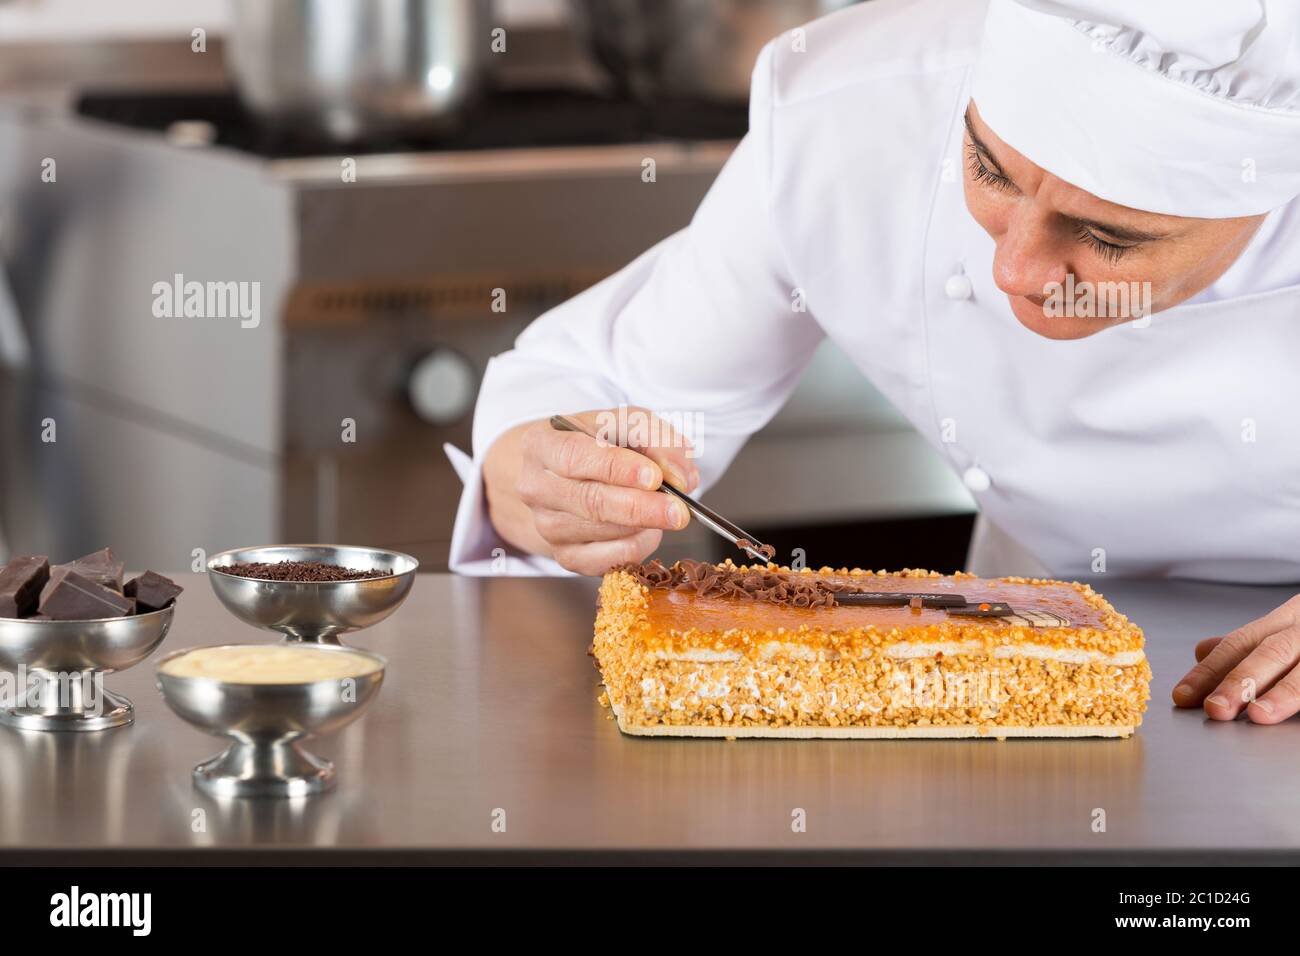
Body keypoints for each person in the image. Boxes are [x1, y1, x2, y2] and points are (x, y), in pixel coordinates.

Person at [445, 0, 1300, 725]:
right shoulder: (856, 115)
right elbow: (600, 395)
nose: (1015, 273)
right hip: (1013, 677)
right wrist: (555, 484)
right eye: (989, 172)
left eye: (1109, 237)